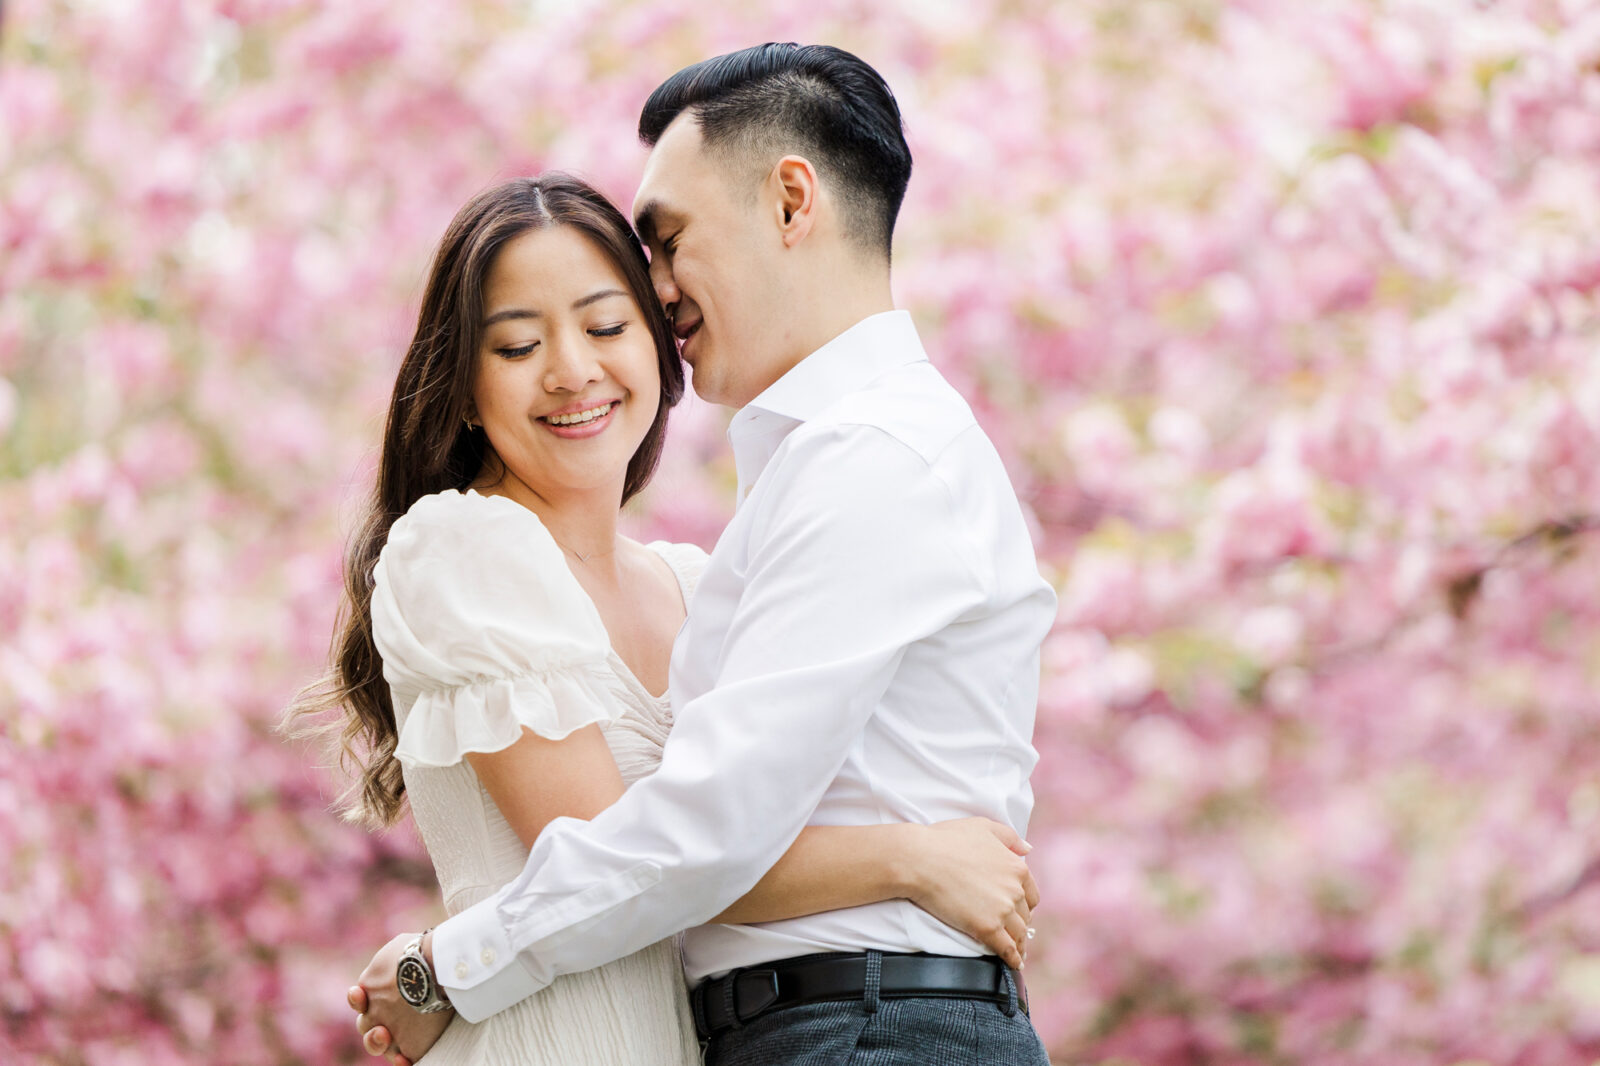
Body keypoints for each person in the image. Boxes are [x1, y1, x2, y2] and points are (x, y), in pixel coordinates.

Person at [353, 43, 1057, 1065]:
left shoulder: (869, 459)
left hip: (863, 1027)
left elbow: (707, 830)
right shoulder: (824, 466)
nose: (663, 288)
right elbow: (702, 834)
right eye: (517, 344)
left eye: (670, 242)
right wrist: (904, 857)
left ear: (789, 201)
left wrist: (448, 963)